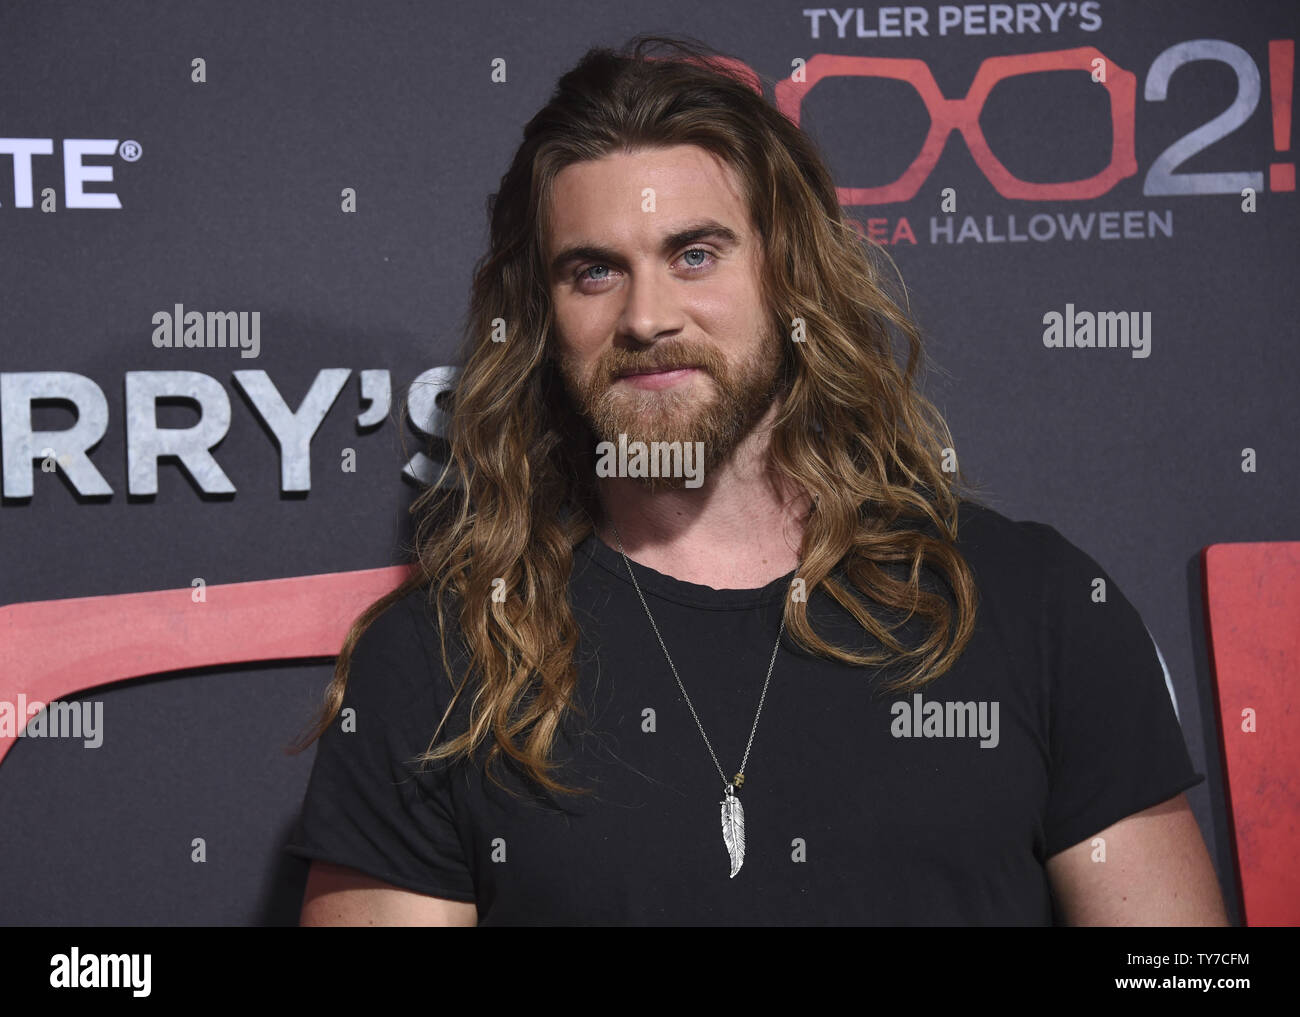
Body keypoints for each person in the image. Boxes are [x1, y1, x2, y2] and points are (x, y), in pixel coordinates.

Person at [285, 35, 1227, 926]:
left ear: (790, 277)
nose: (648, 317)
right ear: (539, 316)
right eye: (594, 272)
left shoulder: (1035, 606)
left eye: (695, 254)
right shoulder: (441, 666)